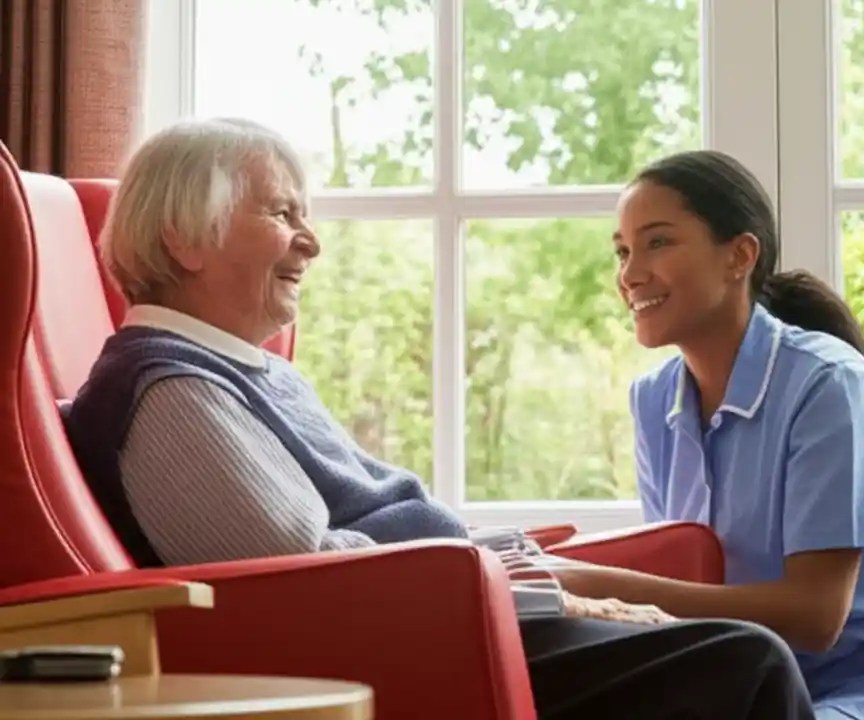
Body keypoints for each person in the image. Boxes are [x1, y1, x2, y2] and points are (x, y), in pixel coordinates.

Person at [61, 118, 815, 720]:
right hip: (412, 646)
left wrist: (518, 573)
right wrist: (543, 591)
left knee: (736, 658)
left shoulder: (240, 370)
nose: (311, 241)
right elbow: (312, 581)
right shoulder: (168, 392)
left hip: (450, 615)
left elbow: (360, 546)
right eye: (282, 213)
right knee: (746, 663)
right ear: (183, 238)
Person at [551, 149, 864, 719]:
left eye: (658, 243)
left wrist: (595, 585)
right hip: (765, 689)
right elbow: (683, 579)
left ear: (739, 256)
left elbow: (817, 615)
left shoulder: (830, 385)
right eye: (623, 252)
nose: (630, 273)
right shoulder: (654, 402)